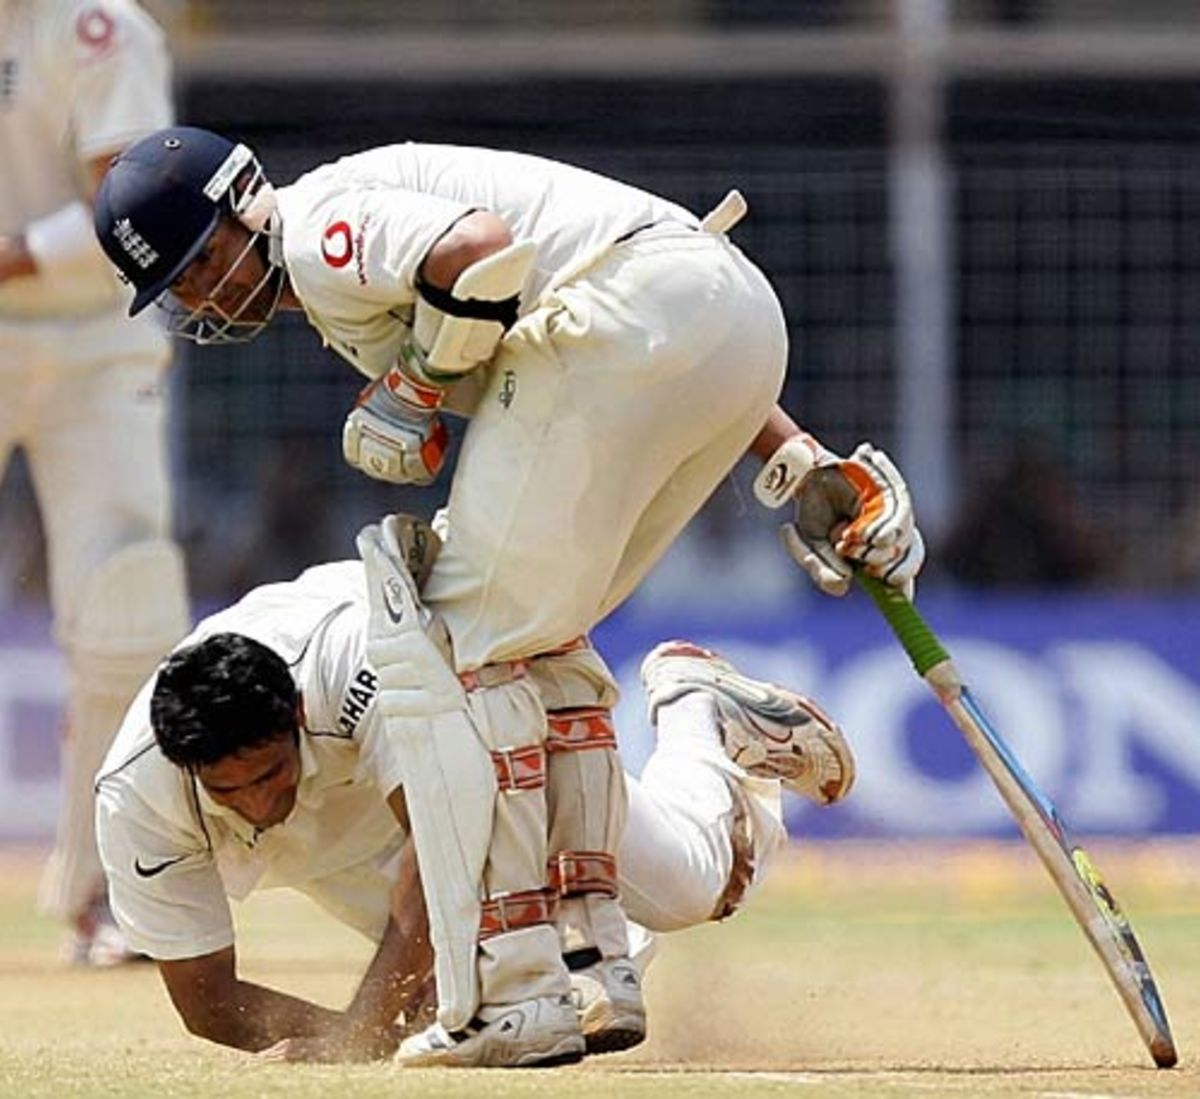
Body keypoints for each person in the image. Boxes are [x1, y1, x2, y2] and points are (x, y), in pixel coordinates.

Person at [91, 128, 924, 1065]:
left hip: (630, 317)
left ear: (243, 200)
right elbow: (662, 314)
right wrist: (794, 459)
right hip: (719, 324)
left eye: (201, 264)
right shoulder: (335, 273)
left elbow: (477, 250)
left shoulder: (319, 230)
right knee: (536, 639)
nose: (202, 297)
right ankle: (603, 928)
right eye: (182, 290)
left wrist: (411, 387)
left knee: (448, 641)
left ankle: (518, 991)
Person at [95, 514, 855, 1063]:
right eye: (230, 793)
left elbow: (439, 848)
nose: (258, 804)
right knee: (497, 1001)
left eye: (269, 775)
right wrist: (350, 1036)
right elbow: (205, 999)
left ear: (295, 714)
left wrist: (365, 1034)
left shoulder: (364, 659)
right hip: (345, 841)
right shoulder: (137, 797)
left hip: (472, 724)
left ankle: (693, 706)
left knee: (693, 888)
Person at [0, 0, 189, 965]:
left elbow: (132, 200)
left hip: (94, 340)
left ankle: (104, 889)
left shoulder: (95, 25)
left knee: (127, 607)